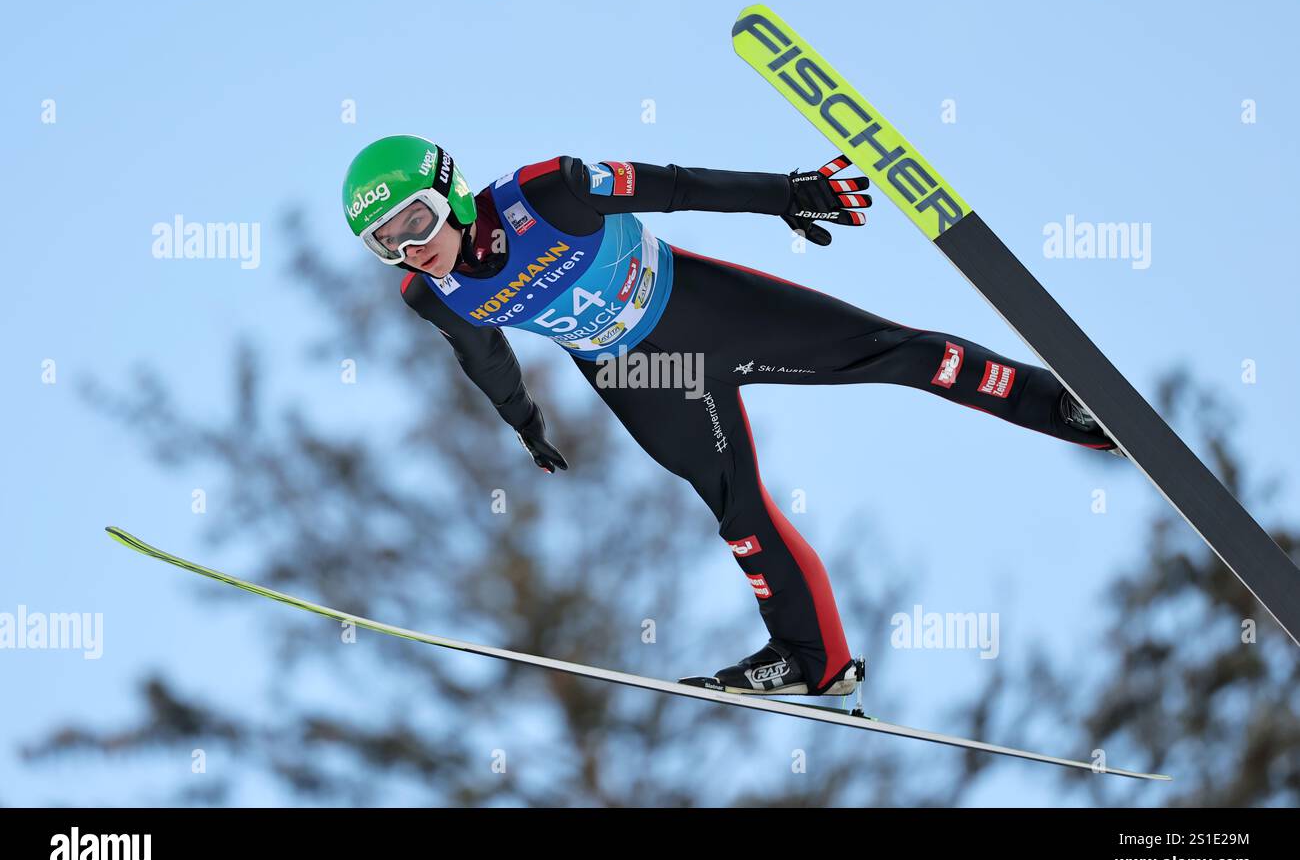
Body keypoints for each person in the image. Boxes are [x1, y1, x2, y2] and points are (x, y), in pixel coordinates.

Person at [342, 135, 1118, 697]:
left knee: (897, 353)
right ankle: (810, 657)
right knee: (737, 513)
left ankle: (1065, 407)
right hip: (642, 375)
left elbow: (676, 186)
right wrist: (525, 423)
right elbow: (483, 357)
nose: (410, 249)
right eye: (386, 243)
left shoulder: (551, 192)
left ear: (450, 190)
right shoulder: (430, 295)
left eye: (413, 222)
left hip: (706, 312)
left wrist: (788, 193)